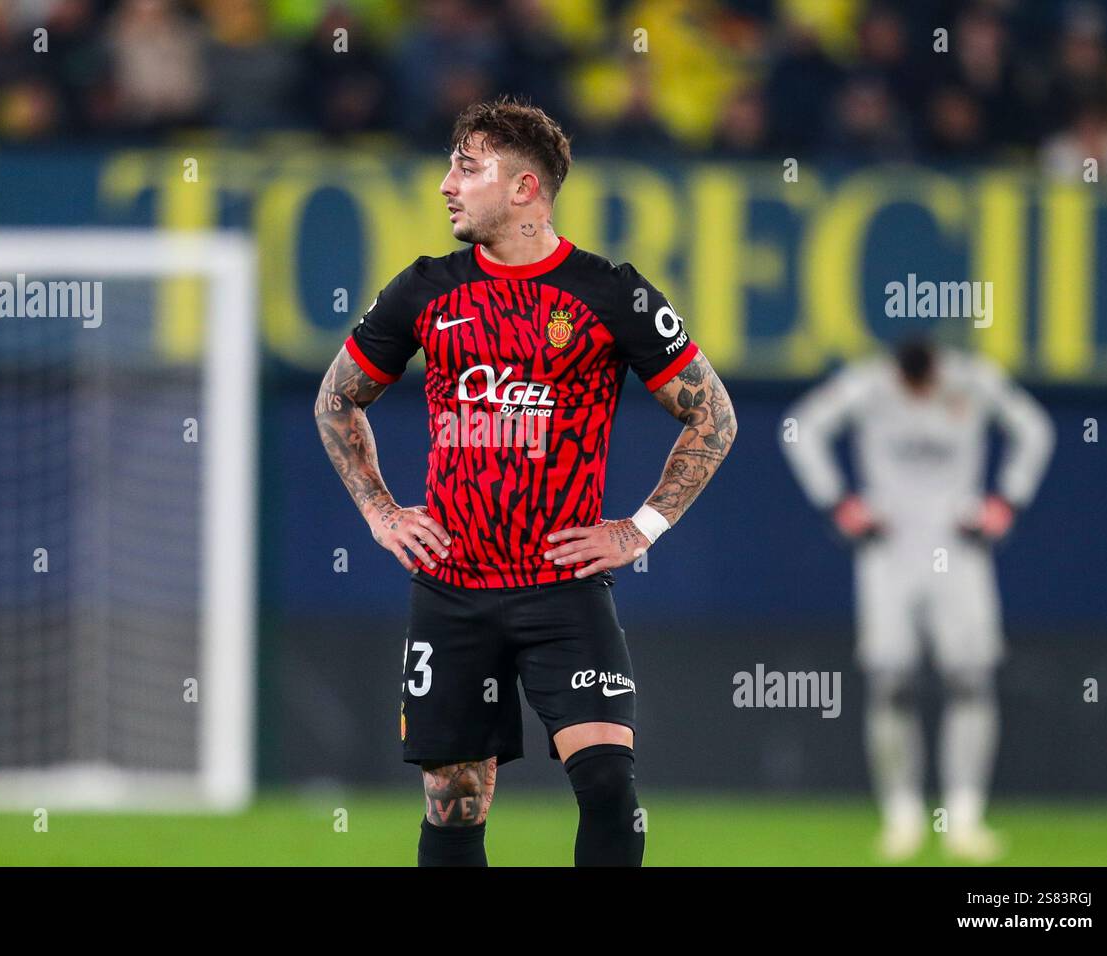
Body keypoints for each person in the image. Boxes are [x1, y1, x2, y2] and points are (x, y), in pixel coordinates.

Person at [314, 96, 736, 866]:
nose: (445, 184)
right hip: (450, 588)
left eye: (466, 169)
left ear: (523, 190)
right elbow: (338, 396)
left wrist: (638, 530)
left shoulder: (613, 295)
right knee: (454, 804)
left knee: (608, 782)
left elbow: (714, 416)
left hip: (562, 587)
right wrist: (378, 510)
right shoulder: (424, 290)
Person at [779, 337, 1054, 862]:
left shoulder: (973, 381)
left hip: (959, 547)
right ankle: (902, 818)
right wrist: (837, 500)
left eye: (924, 384)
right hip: (889, 552)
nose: (917, 392)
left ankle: (965, 819)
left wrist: (1007, 499)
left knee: (969, 680)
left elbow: (1035, 428)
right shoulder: (867, 386)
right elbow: (801, 429)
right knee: (891, 682)